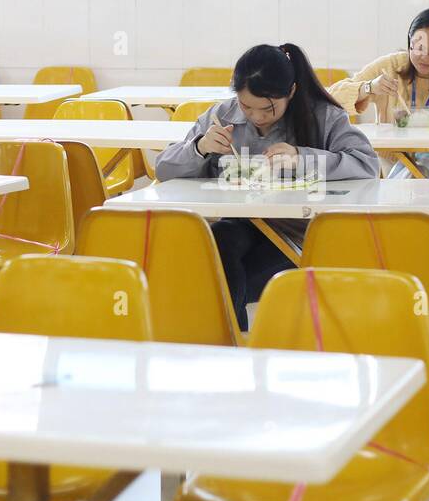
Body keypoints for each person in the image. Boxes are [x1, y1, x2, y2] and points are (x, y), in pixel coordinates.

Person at [155, 42, 379, 330]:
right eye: (247, 106)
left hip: (304, 232)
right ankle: (234, 349)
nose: (257, 117)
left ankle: (232, 347)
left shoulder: (322, 117)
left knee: (210, 280)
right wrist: (199, 147)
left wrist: (301, 157)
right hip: (243, 227)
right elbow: (163, 168)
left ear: (292, 92)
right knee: (218, 242)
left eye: (268, 108)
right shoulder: (221, 116)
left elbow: (367, 165)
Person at [329, 7, 429, 176]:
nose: (424, 57)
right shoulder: (391, 66)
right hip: (393, 162)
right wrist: (368, 87)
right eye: (417, 48)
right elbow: (330, 98)